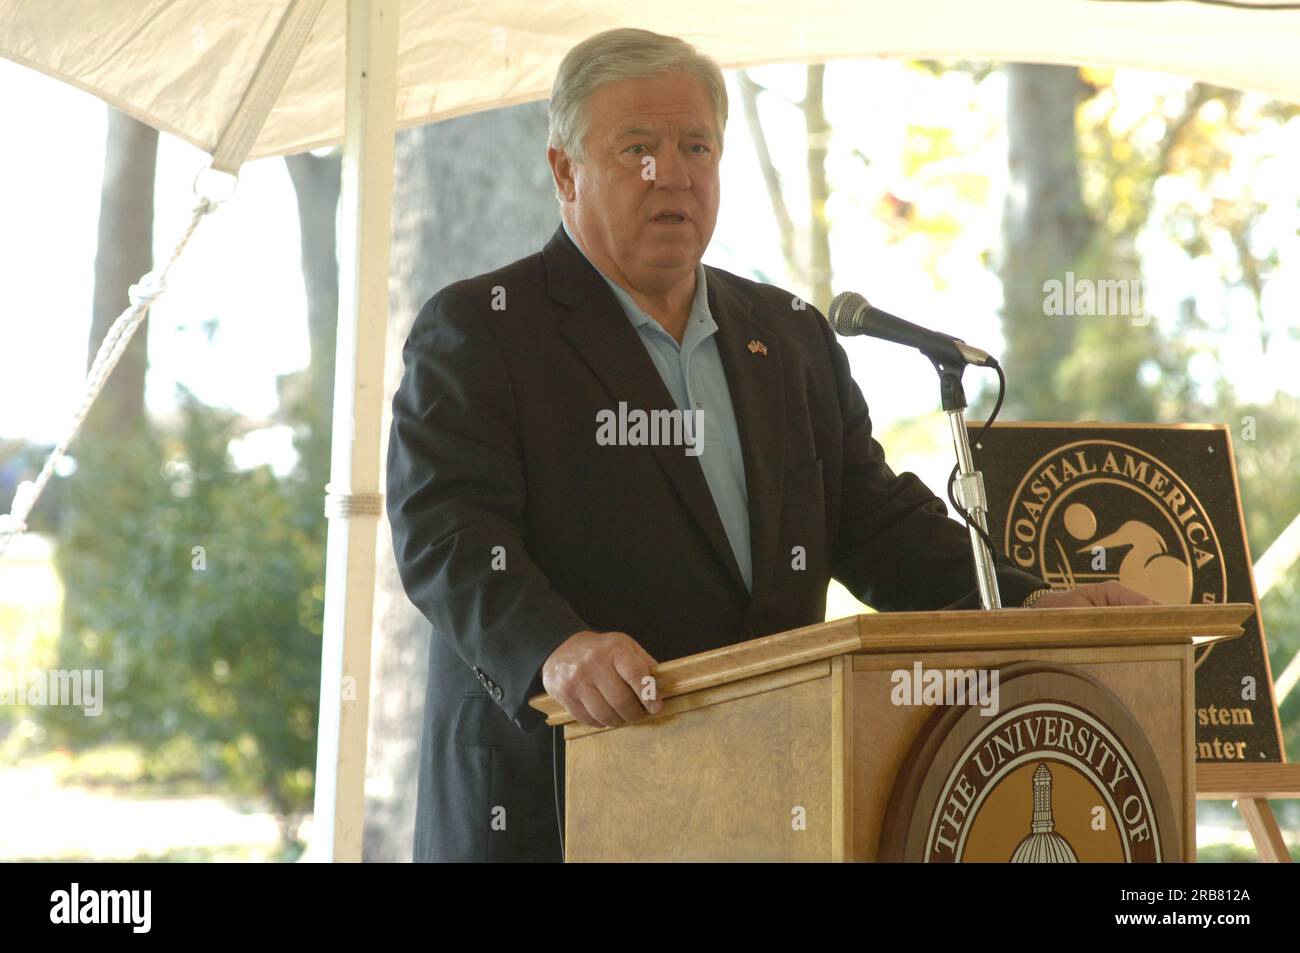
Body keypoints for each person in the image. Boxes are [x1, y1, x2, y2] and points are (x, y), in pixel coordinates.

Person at [385, 27, 1151, 863]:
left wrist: (1026, 608)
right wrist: (556, 650)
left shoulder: (787, 335)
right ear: (563, 170)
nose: (670, 173)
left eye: (695, 147)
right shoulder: (485, 330)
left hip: (764, 803)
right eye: (636, 148)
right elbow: (448, 535)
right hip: (556, 803)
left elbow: (876, 522)